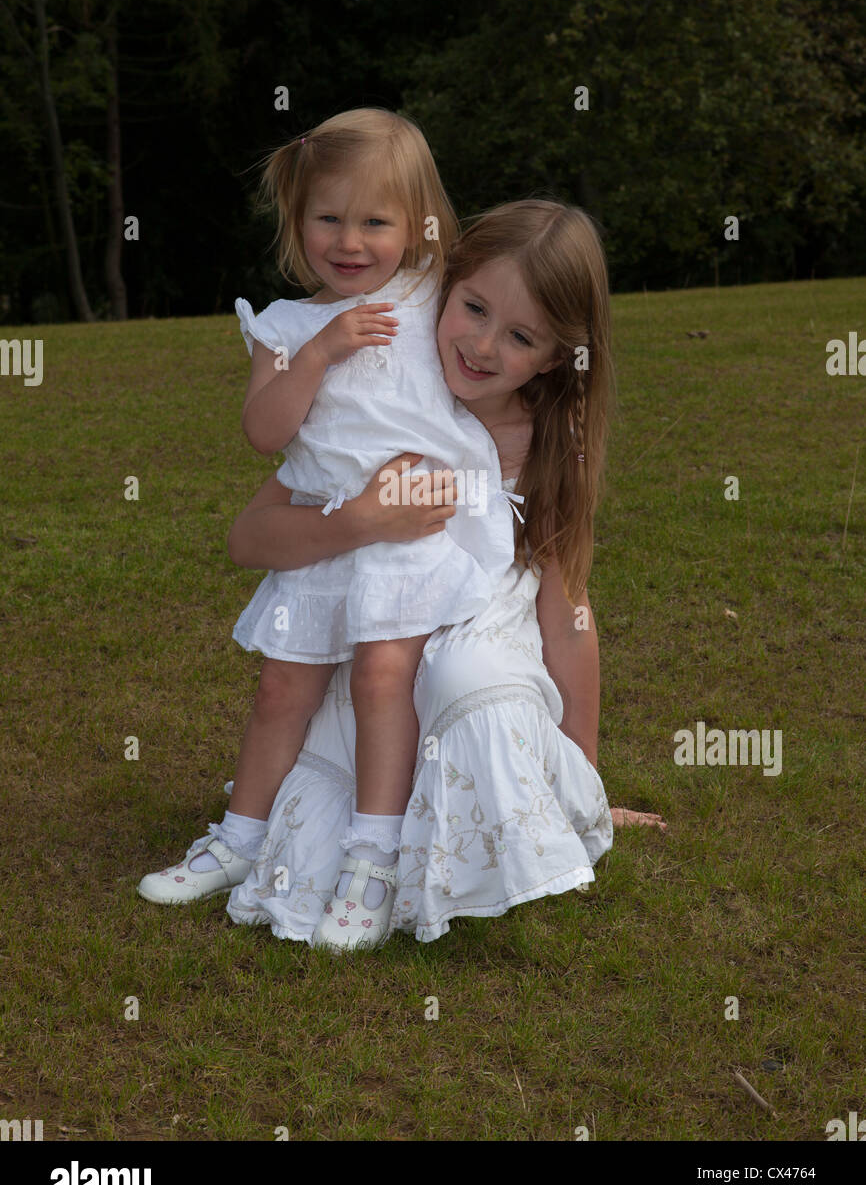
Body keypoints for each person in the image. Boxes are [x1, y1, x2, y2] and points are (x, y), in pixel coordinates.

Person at [222, 200, 665, 946]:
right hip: (384, 622)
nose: (483, 345)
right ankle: (373, 843)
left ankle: (514, 801)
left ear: (557, 356)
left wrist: (576, 781)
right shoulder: (375, 405)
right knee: (379, 697)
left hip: (485, 622)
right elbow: (248, 538)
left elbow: (568, 612)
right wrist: (359, 519)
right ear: (440, 287)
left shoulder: (551, 438)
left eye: (520, 336)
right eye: (473, 307)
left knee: (461, 678)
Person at [138, 109, 531, 949]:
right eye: (328, 218)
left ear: (418, 226)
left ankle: (372, 857)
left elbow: (510, 311)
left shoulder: (429, 298)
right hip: (324, 535)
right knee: (282, 689)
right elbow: (265, 434)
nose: (349, 241)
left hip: (414, 531)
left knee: (385, 679)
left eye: (375, 221)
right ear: (296, 221)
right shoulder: (282, 328)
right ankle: (237, 841)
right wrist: (316, 353)